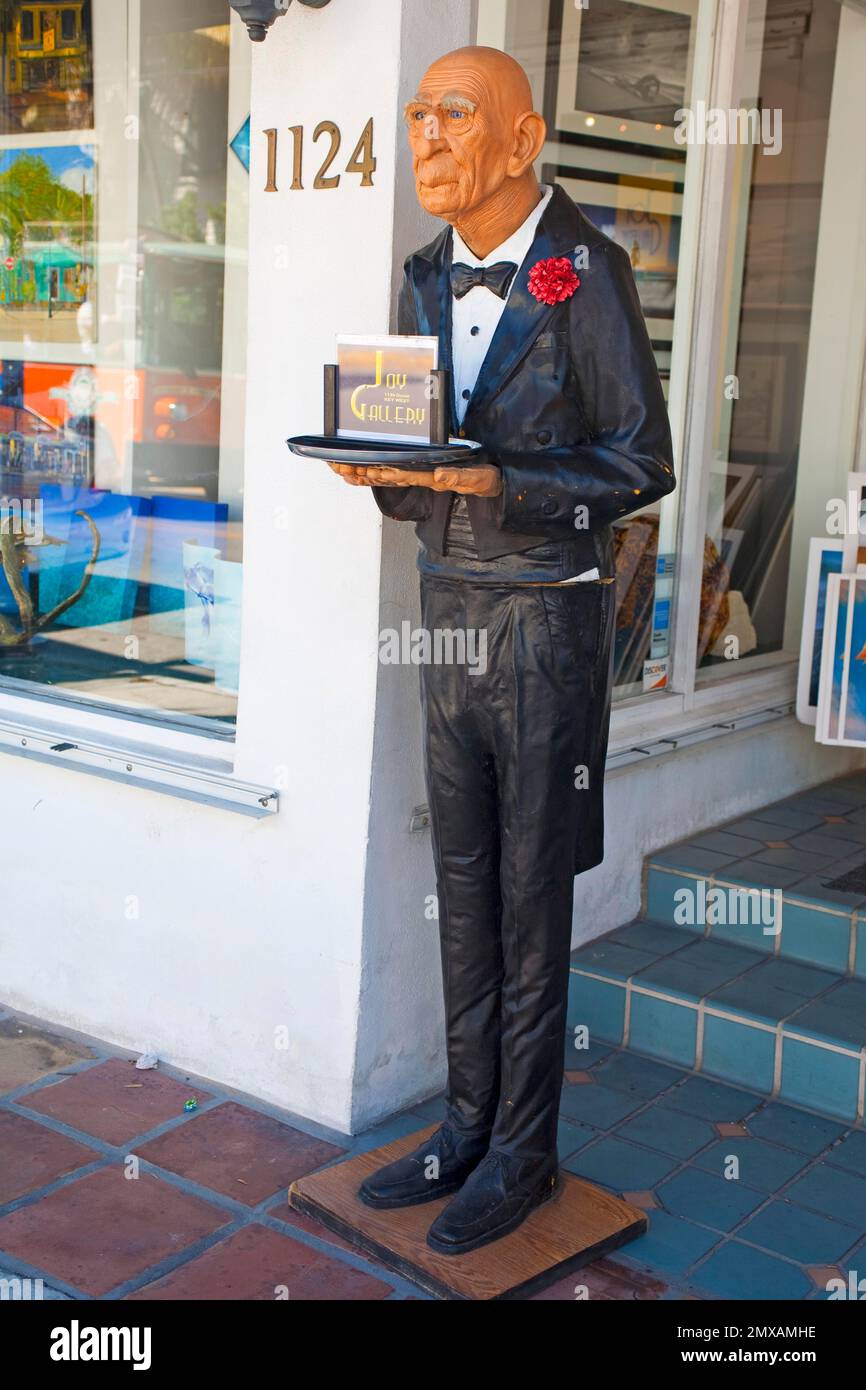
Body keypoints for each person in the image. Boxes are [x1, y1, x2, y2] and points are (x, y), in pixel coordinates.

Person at [331, 45, 675, 1255]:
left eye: (453, 114)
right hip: (443, 604)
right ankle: (467, 1123)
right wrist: (387, 472)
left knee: (529, 896)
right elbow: (414, 448)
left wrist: (498, 478)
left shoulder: (588, 275)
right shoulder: (423, 273)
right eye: (417, 112)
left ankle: (524, 1155)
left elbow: (642, 465)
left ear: (523, 144)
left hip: (542, 615)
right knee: (463, 880)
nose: (424, 135)